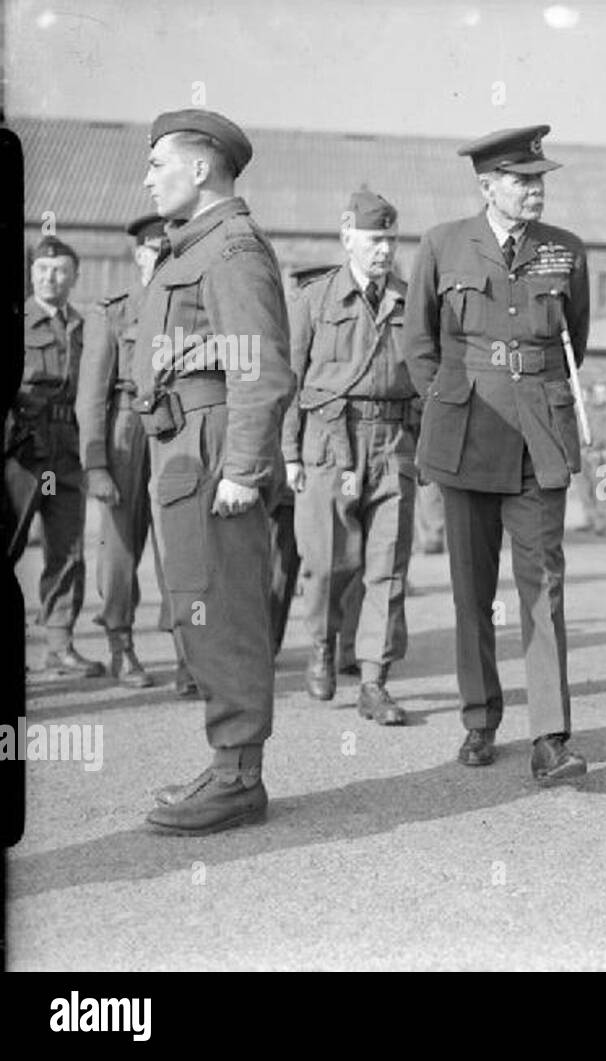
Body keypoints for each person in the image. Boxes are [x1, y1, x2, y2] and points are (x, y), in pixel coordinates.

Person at [402, 125, 590, 783]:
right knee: (471, 591)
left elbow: (575, 339)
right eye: (522, 179)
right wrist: (450, 399)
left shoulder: (565, 252)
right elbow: (418, 341)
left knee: (544, 590)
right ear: (488, 186)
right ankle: (480, 720)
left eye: (540, 179)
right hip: (466, 436)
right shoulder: (442, 244)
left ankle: (551, 738)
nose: (535, 189)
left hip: (540, 440)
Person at [134, 109, 294, 834]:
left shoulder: (230, 248)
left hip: (211, 450)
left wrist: (244, 468)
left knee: (223, 611)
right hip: (181, 447)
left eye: (158, 163)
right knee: (196, 609)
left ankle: (238, 777)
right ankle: (228, 762)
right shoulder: (189, 248)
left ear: (200, 169)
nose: (148, 177)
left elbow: (260, 366)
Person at [284, 189, 417, 726]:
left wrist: (423, 446)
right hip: (330, 443)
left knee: (387, 567)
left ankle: (373, 679)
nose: (383, 250)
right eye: (373, 239)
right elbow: (288, 381)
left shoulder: (410, 301)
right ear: (347, 237)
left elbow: (428, 379)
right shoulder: (314, 300)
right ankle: (320, 644)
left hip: (393, 442)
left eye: (390, 239)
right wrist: (290, 453)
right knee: (327, 562)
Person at [76, 214, 176, 688]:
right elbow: (90, 396)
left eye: (171, 249)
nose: (163, 257)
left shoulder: (187, 307)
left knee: (179, 543)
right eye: (156, 250)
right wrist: (96, 464)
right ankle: (121, 644)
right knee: (118, 547)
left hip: (175, 427)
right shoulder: (112, 312)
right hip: (124, 429)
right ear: (139, 254)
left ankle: (188, 652)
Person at [8, 236, 104, 676]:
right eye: (43, 270)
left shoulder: (84, 327)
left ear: (75, 277)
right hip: (22, 451)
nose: (52, 277)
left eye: (62, 270)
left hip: (67, 450)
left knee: (66, 549)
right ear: (30, 273)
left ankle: (60, 644)